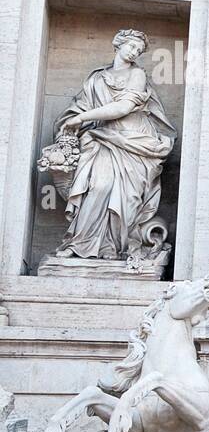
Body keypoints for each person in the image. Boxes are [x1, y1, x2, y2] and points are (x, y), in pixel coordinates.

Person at [50, 29, 174, 261]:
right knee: (98, 187)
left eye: (139, 50)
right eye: (131, 46)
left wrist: (80, 119)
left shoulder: (137, 74)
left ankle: (115, 247)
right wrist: (72, 121)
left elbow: (123, 108)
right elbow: (80, 106)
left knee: (127, 197)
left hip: (133, 141)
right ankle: (79, 244)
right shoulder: (96, 78)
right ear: (118, 44)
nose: (135, 51)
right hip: (101, 138)